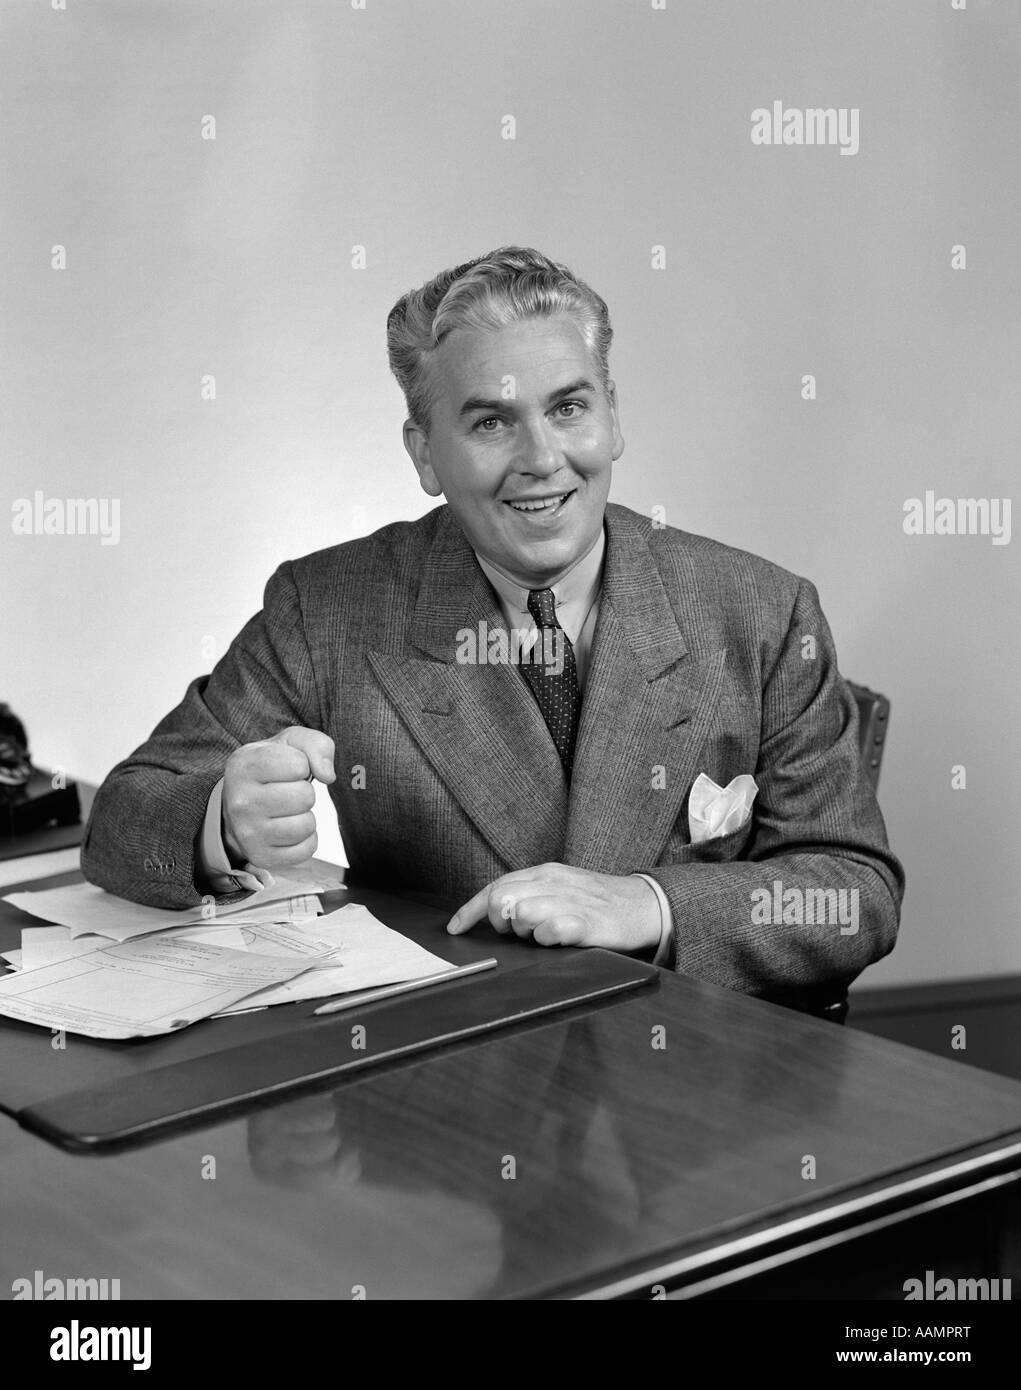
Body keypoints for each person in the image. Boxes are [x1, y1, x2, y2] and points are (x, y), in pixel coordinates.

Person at [82, 245, 903, 1002]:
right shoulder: (326, 608)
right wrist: (218, 823)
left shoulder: (760, 611)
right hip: (450, 1081)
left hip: (686, 1101)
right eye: (490, 422)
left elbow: (851, 896)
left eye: (569, 408)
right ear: (424, 455)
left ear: (612, 415)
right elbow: (120, 826)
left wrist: (650, 904)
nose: (542, 458)